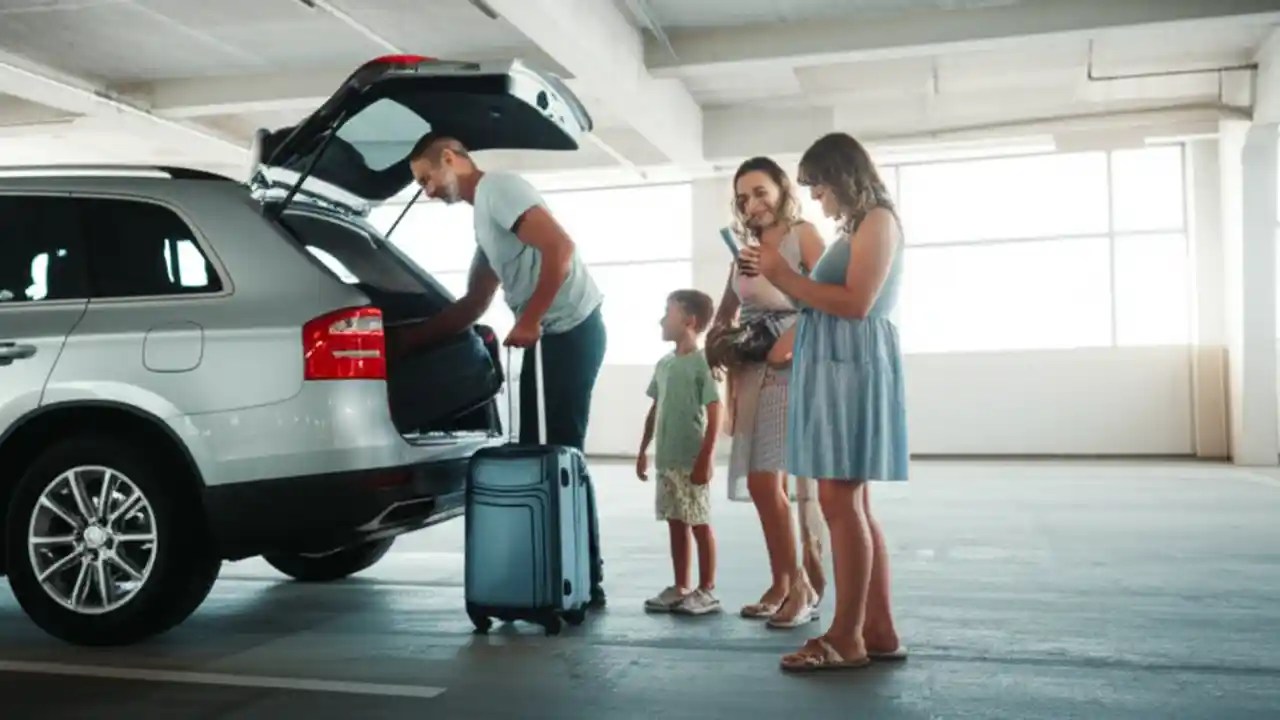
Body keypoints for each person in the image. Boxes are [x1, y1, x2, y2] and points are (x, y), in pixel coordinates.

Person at [399, 133, 608, 606]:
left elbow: (560, 247)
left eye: (426, 178)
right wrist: (406, 342)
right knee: (541, 454)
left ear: (450, 159)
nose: (426, 190)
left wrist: (530, 318)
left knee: (561, 456)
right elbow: (473, 304)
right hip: (549, 334)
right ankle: (551, 568)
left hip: (570, 329)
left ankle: (582, 576)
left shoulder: (499, 189)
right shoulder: (484, 219)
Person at [741, 133, 908, 672]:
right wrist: (781, 282)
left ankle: (845, 637)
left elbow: (858, 303)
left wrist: (786, 276)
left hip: (852, 366)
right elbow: (824, 300)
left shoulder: (879, 220)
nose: (815, 197)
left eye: (817, 185)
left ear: (842, 176)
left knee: (840, 504)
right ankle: (876, 630)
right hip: (839, 364)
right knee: (850, 504)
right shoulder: (858, 226)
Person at [707, 157, 827, 628]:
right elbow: (725, 310)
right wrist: (717, 340)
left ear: (780, 188)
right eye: (742, 198)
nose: (751, 204)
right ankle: (782, 581)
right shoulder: (746, 248)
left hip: (790, 367)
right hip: (752, 371)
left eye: (759, 192)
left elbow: (827, 301)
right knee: (763, 486)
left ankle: (803, 587)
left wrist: (788, 343)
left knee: (768, 480)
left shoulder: (803, 236)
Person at [635, 290, 723, 616]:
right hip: (667, 460)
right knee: (675, 521)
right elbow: (655, 409)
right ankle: (681, 585)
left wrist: (707, 458)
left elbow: (716, 414)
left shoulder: (703, 364)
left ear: (689, 321)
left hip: (691, 459)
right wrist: (644, 449)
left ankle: (708, 589)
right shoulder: (664, 364)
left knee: (698, 522)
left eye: (667, 312)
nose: (661, 319)